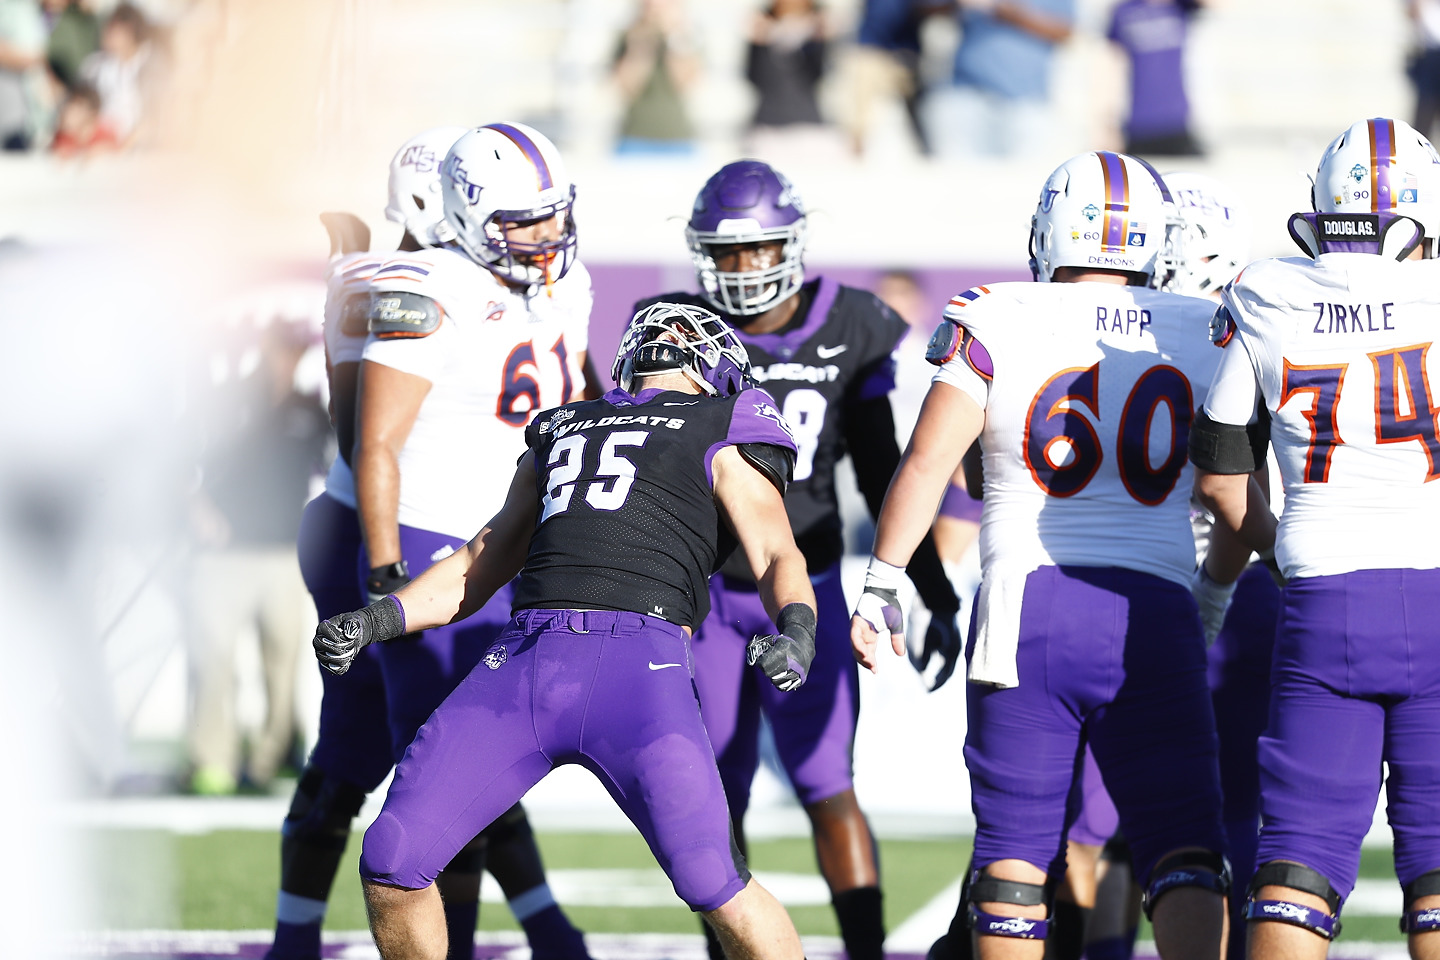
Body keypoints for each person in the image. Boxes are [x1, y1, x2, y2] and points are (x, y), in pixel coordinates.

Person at [312, 301, 815, 960]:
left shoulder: (720, 425)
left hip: (638, 669)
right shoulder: (567, 424)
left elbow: (776, 551)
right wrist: (381, 616)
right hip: (527, 660)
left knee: (712, 881)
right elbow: (483, 557)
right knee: (393, 858)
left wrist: (797, 625)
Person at [853, 151, 1230, 960]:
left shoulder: (997, 315)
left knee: (1015, 860)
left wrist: (882, 583)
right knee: (1185, 847)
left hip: (1026, 605)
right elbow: (1232, 489)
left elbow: (926, 463)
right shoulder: (1203, 330)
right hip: (1153, 605)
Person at [265, 126, 592, 960]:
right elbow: (368, 443)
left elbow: (578, 392)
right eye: (524, 222)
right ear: (466, 214)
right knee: (432, 760)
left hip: (493, 540)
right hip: (421, 540)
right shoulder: (423, 286)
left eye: (552, 217)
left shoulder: (564, 283)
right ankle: (307, 938)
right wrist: (388, 579)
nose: (546, 238)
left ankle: (301, 939)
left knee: (421, 747)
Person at [638, 159, 962, 960]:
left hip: (804, 592)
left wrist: (934, 592)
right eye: (729, 252)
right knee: (715, 800)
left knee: (828, 787)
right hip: (701, 599)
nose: (745, 269)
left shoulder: (853, 323)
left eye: (760, 250)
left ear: (793, 243)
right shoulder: (673, 324)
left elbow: (885, 470)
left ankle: (863, 954)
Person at [1191, 117, 1440, 960]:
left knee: (1297, 861)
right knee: (1439, 864)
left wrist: (1279, 548)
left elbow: (1221, 479)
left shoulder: (1265, 292)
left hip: (1324, 596)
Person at [188, 313, 330, 797]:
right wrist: (198, 508)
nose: (288, 358)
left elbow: (336, 468)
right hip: (223, 554)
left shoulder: (309, 409)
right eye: (281, 347)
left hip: (284, 553)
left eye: (296, 350)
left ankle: (268, 762)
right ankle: (213, 762)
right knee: (215, 661)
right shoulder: (228, 401)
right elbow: (188, 462)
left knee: (282, 662)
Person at [923, 0, 1075, 160]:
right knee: (958, 178)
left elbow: (1066, 31)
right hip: (967, 96)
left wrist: (1005, 10)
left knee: (1029, 179)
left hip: (1027, 102)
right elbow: (926, 10)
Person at [1105, 0, 1204, 158]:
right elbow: (1110, 66)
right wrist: (1107, 125)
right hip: (1138, 124)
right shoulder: (1124, 11)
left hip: (1177, 122)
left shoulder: (1181, 6)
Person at [611, 0, 699, 156]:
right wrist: (642, 42)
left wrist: (675, 36)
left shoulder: (688, 38)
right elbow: (629, 88)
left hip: (679, 139)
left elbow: (683, 84)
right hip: (634, 138)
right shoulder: (626, 37)